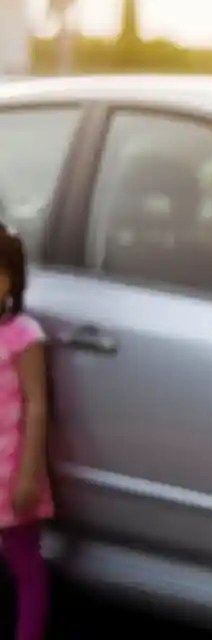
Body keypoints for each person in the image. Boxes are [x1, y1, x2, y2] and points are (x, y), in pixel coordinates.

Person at [0, 224, 53, 640]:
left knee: (25, 563)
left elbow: (37, 406)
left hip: (10, 473)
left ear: (13, 281)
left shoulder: (22, 336)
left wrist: (28, 475)